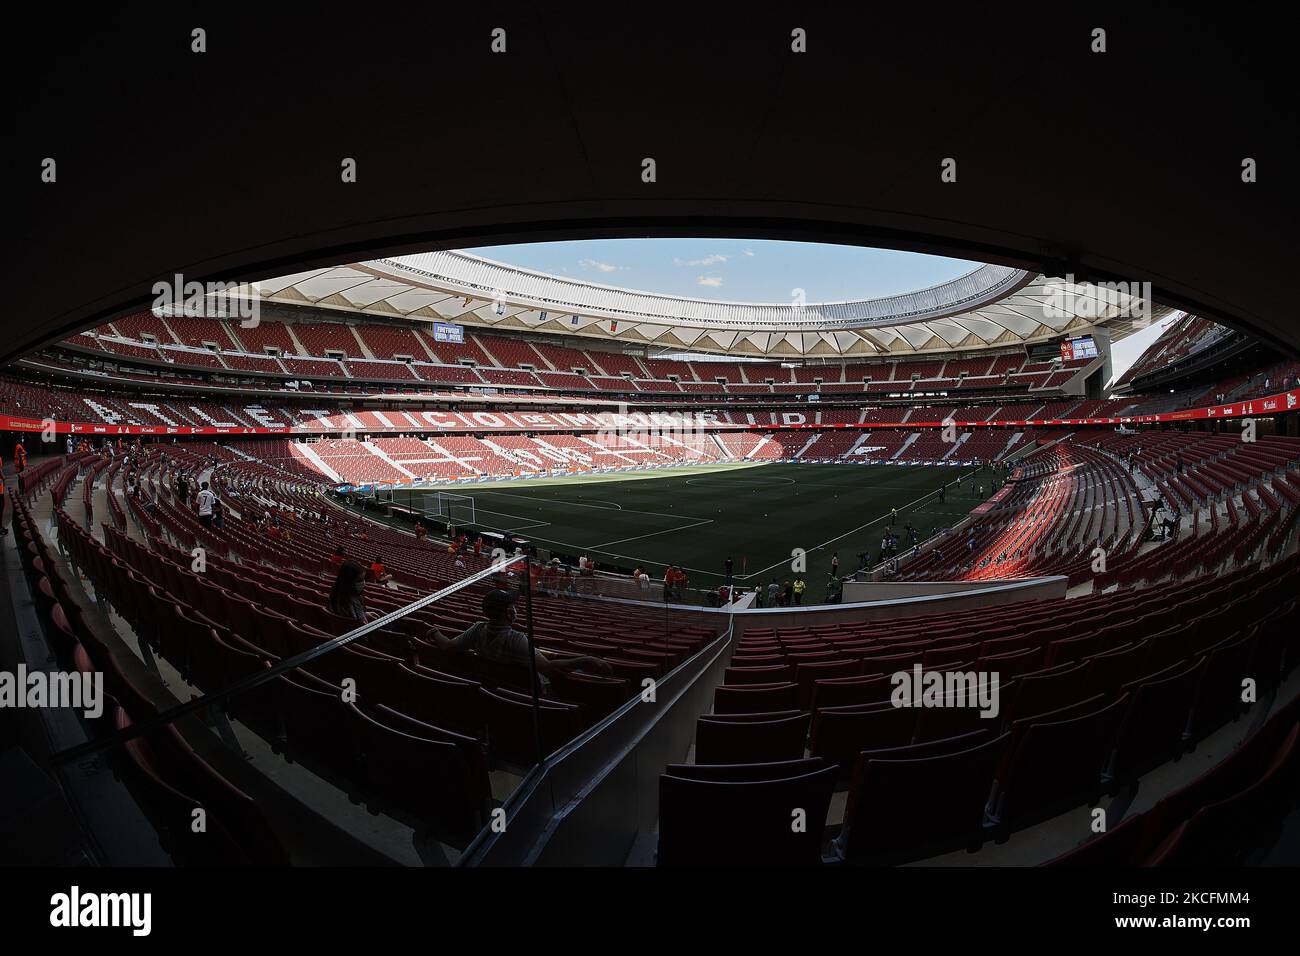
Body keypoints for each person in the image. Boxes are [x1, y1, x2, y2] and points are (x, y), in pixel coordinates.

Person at [428, 589, 613, 693]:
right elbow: (548, 669)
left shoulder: (477, 629)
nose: (515, 609)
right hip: (531, 690)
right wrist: (586, 659)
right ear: (508, 613)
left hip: (499, 688)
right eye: (513, 606)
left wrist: (434, 631)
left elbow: (447, 646)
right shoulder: (517, 639)